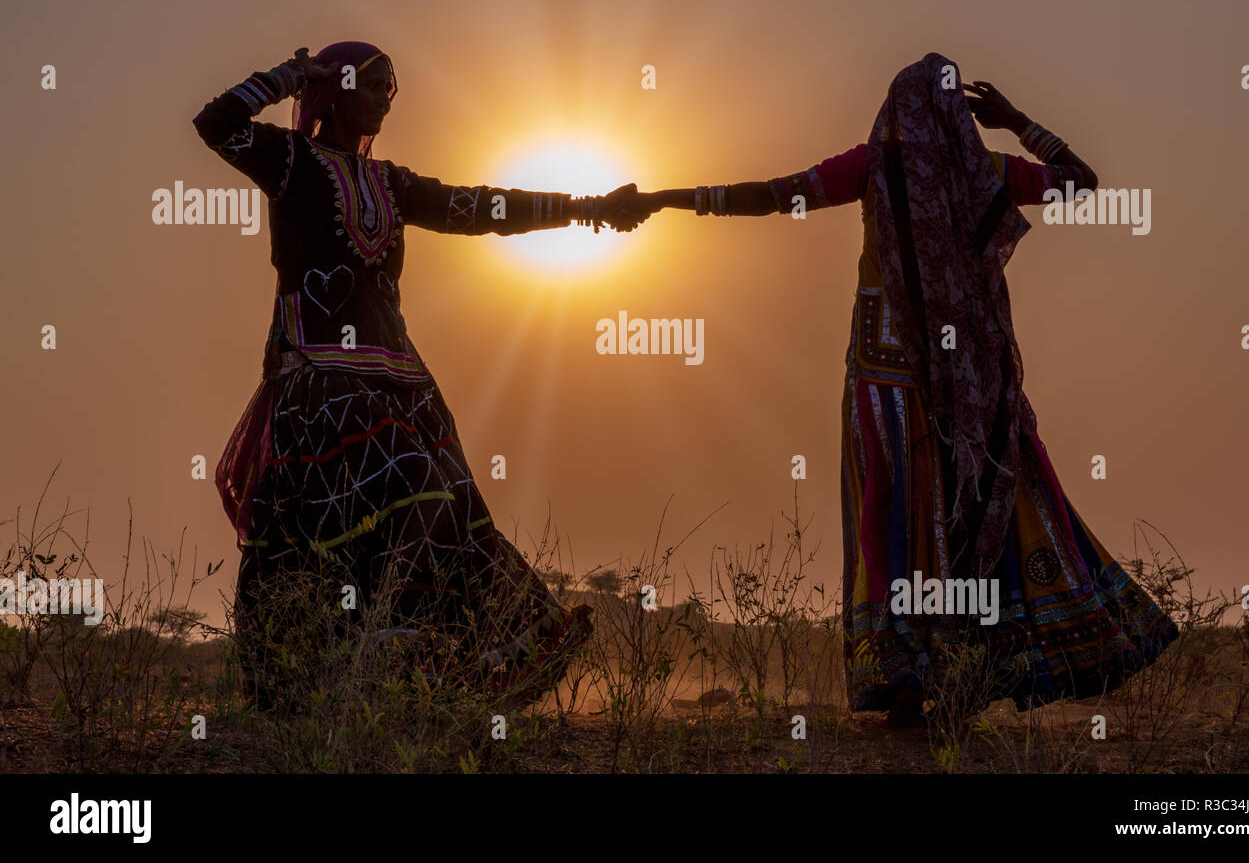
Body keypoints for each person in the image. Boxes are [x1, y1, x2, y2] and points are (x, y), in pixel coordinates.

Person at [632, 53, 1179, 726]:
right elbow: (1081, 182)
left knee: (894, 517)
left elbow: (774, 194)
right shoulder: (990, 173)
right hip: (973, 386)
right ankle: (965, 672)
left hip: (884, 371)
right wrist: (1018, 123)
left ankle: (910, 678)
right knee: (975, 506)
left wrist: (665, 199)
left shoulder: (872, 167)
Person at [194, 42, 638, 708]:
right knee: (362, 518)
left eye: (391, 91)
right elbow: (215, 124)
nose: (385, 101)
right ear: (336, 89)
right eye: (372, 87)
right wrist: (286, 78)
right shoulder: (289, 164)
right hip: (322, 385)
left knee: (450, 509)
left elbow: (480, 208)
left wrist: (585, 210)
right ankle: (361, 675)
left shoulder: (392, 185)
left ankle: (446, 670)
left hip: (402, 383)